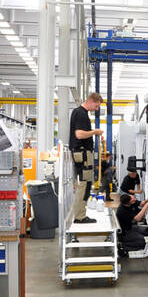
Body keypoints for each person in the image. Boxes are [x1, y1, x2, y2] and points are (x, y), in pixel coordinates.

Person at [68, 92, 104, 224]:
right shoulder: (81, 114)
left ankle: (80, 213)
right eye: (96, 105)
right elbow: (79, 134)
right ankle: (80, 216)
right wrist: (95, 132)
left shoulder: (80, 113)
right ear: (90, 101)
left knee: (86, 184)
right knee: (84, 184)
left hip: (82, 153)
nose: (97, 109)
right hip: (82, 153)